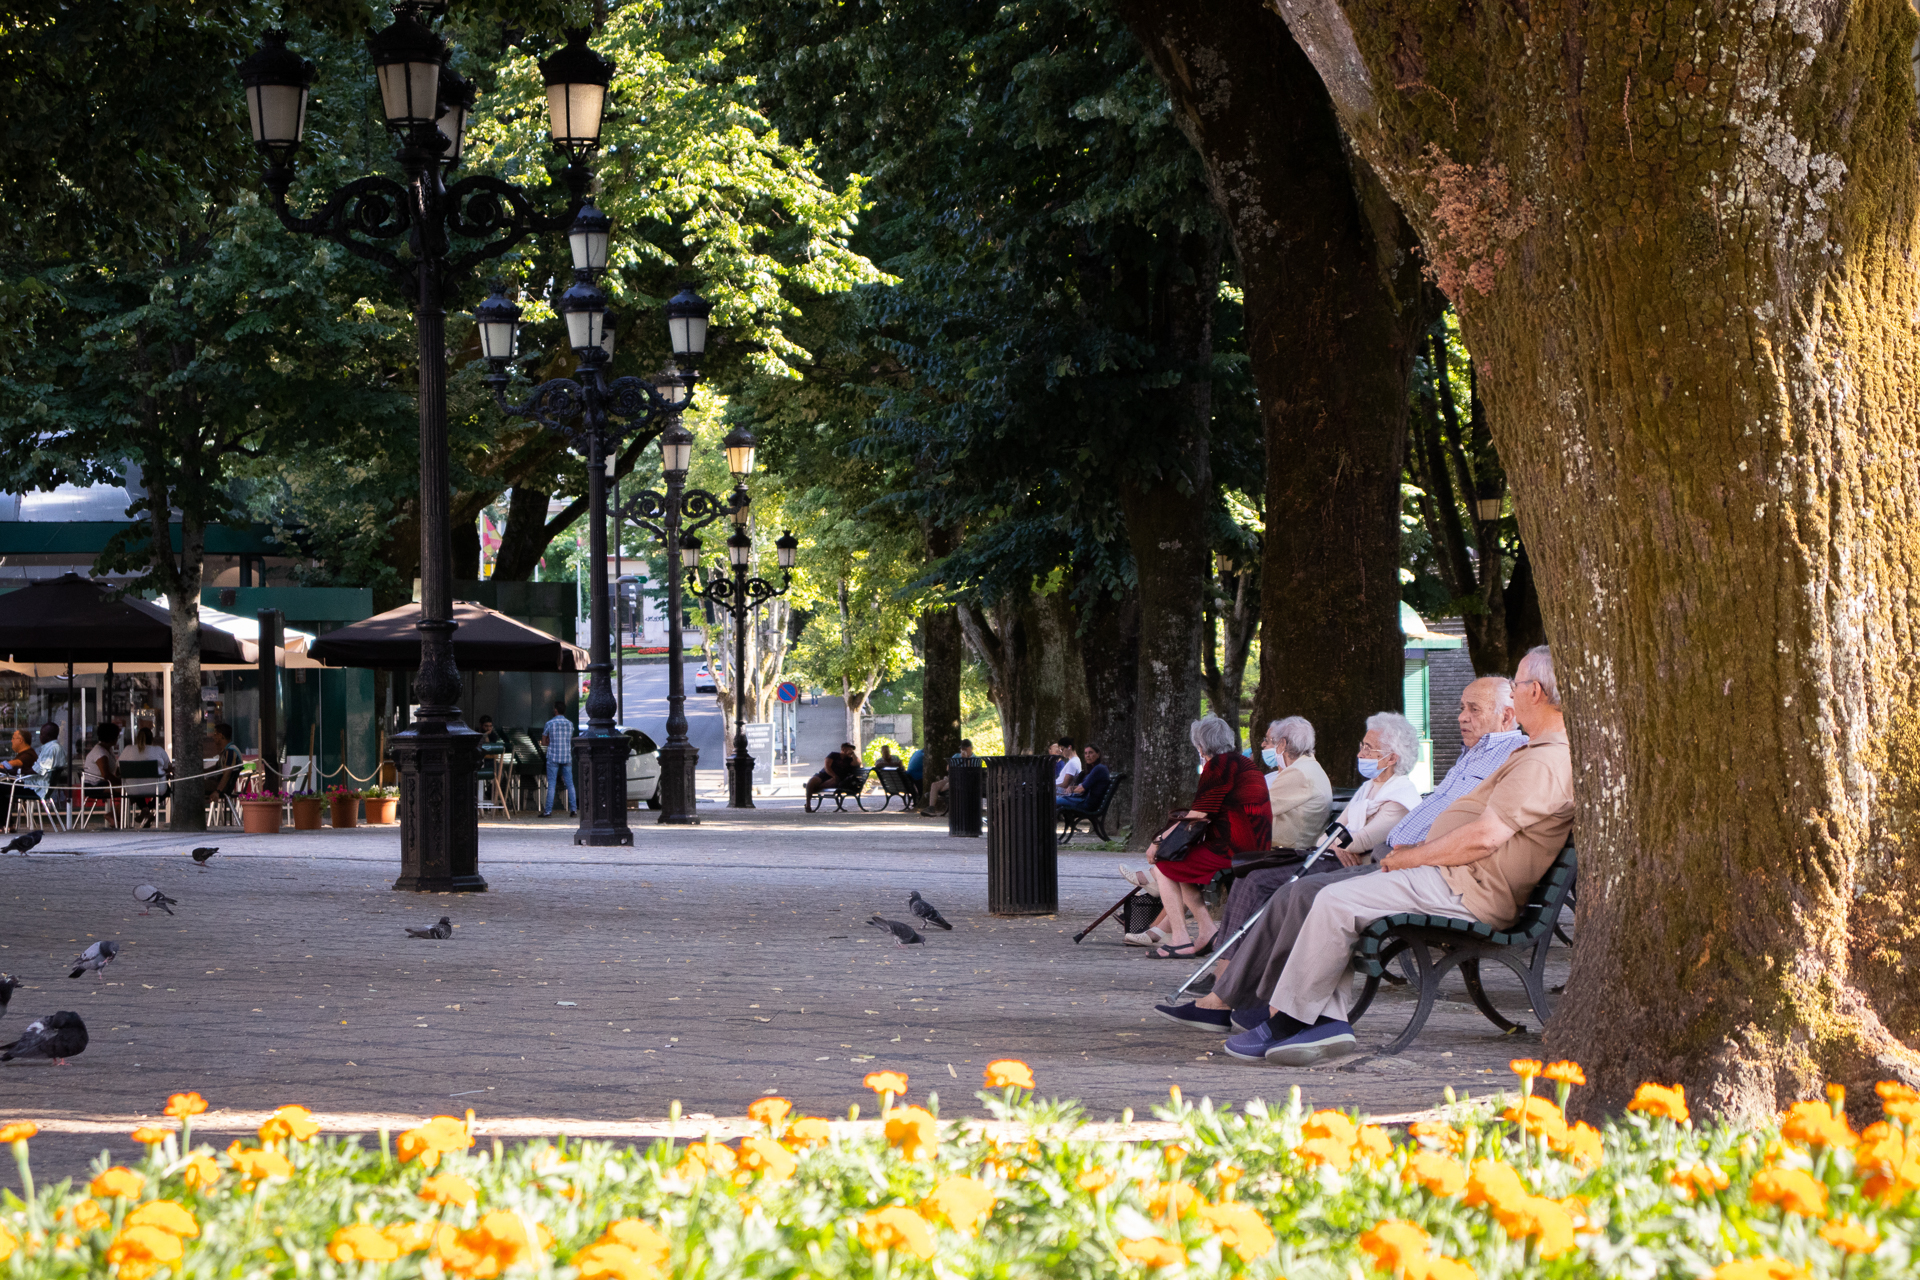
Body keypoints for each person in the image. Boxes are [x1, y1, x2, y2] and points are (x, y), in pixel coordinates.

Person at [1216, 648, 1571, 1065]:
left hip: (1466, 888)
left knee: (1334, 900)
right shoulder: (1537, 750)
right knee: (1329, 898)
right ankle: (1316, 1021)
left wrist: (1413, 856)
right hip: (1456, 878)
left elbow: (1486, 837)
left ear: (1535, 691)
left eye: (1515, 683)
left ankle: (1302, 1021)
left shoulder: (1547, 759)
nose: (1512, 690)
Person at [1157, 675, 1525, 1030]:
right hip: (1396, 861)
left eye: (1473, 709)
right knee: (1286, 890)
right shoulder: (1467, 758)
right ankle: (1240, 998)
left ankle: (1281, 1011)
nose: (1461, 716)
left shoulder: (1510, 759)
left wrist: (1374, 848)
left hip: (1422, 869)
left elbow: (1360, 840)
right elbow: (1342, 833)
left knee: (1306, 893)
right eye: (1462, 707)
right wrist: (1348, 843)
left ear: (1507, 714)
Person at [1142, 716, 1272, 959]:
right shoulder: (1243, 763)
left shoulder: (1219, 766)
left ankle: (1180, 939)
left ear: (1201, 747)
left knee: (1163, 865)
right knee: (1178, 862)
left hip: (1234, 848)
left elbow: (1198, 815)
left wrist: (1158, 841)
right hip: (1254, 845)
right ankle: (1207, 932)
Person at [1263, 716, 1333, 851]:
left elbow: (1259, 806)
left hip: (1288, 853)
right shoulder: (1308, 766)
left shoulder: (1298, 773)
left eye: (1273, 742)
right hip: (1292, 848)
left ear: (1282, 744)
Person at [118, 723, 173, 827]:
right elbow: (168, 768)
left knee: (137, 784)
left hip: (132, 789)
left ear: (137, 737)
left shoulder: (127, 750)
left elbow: (118, 769)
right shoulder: (158, 750)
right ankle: (149, 807)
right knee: (168, 791)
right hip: (157, 787)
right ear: (152, 739)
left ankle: (145, 809)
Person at [539, 701, 576, 818]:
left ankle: (548, 811)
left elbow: (544, 742)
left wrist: (550, 741)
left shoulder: (549, 723)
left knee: (552, 784)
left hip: (553, 756)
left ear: (555, 710)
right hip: (566, 756)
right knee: (570, 784)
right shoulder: (570, 724)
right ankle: (573, 810)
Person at [80, 722, 122, 820]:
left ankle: (115, 814)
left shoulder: (107, 749)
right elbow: (106, 775)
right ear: (112, 737)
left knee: (130, 790)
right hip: (95, 786)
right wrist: (121, 782)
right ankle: (113, 815)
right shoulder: (100, 753)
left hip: (101, 783)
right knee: (129, 790)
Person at [919, 740, 973, 815]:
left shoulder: (974, 758)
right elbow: (948, 768)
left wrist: (966, 759)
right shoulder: (956, 756)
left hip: (962, 780)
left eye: (965, 748)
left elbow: (971, 772)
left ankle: (934, 794)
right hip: (951, 778)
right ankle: (931, 808)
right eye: (962, 748)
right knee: (934, 785)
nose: (963, 750)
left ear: (970, 748)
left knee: (947, 784)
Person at [1056, 744, 1111, 817]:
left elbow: (1081, 789)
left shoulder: (1099, 769)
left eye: (1091, 753)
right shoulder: (1095, 769)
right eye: (1086, 753)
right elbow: (1082, 787)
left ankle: (1046, 827)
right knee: (1054, 799)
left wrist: (1070, 790)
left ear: (1098, 754)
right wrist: (1072, 789)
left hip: (1086, 804)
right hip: (1083, 800)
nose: (1088, 755)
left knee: (1052, 801)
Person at [1, 728, 44, 816]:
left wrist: (5, 765)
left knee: (2, 788)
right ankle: (7, 823)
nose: (11, 740)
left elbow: (17, 763)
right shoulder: (24, 753)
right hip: (24, 785)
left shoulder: (28, 754)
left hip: (29, 788)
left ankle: (5, 823)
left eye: (13, 738)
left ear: (20, 740)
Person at [205, 722, 244, 803]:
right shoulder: (225, 751)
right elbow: (216, 768)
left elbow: (227, 773)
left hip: (224, 787)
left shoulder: (230, 752)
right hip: (219, 784)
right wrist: (201, 771)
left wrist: (218, 791)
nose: (213, 736)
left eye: (215, 734)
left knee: (193, 785)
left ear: (221, 736)